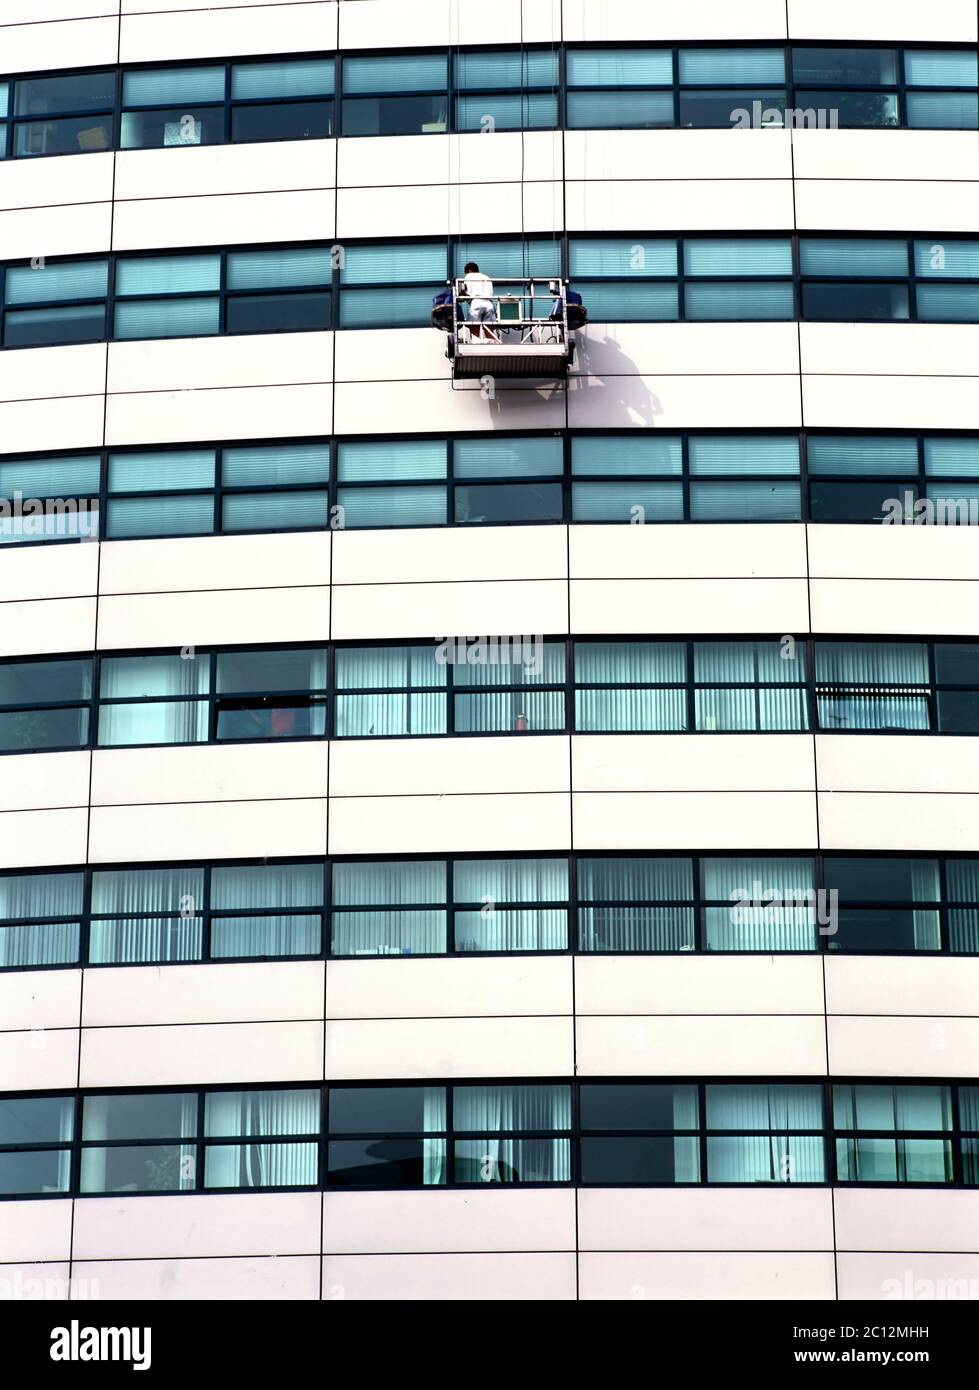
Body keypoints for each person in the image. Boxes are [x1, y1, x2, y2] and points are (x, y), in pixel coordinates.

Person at [459, 260, 496, 340]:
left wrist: (461, 294)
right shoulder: (486, 277)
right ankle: (491, 346)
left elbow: (467, 292)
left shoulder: (469, 276)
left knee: (474, 327)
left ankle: (476, 344)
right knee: (489, 328)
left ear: (469, 271)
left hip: (476, 303)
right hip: (489, 304)